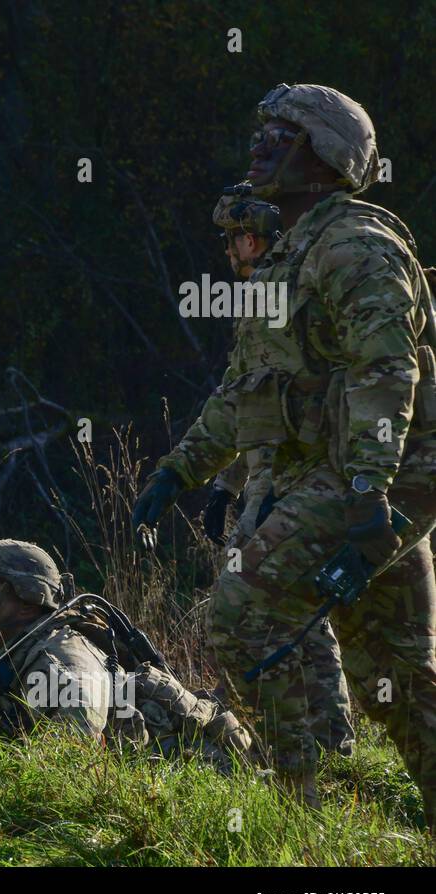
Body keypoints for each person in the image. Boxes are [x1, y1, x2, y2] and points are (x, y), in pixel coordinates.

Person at [133, 84, 436, 823]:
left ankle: (295, 802)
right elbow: (244, 391)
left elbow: (386, 372)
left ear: (326, 154)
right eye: (260, 132)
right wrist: (180, 469)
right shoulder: (286, 260)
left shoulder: (356, 247)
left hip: (378, 485)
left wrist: (369, 491)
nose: (260, 146)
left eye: (282, 135)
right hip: (339, 483)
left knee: (238, 614)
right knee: (396, 683)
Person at [203, 194, 355, 758]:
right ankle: (319, 739)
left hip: (300, 482)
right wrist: (227, 485)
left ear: (248, 241)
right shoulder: (269, 297)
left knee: (269, 609)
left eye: (231, 239)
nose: (227, 251)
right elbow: (252, 400)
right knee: (285, 609)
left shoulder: (285, 298)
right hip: (274, 483)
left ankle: (307, 743)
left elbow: (280, 401)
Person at [0, 540, 251, 770]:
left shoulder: (59, 659)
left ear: (28, 599)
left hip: (194, 778)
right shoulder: (17, 648)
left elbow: (72, 750)